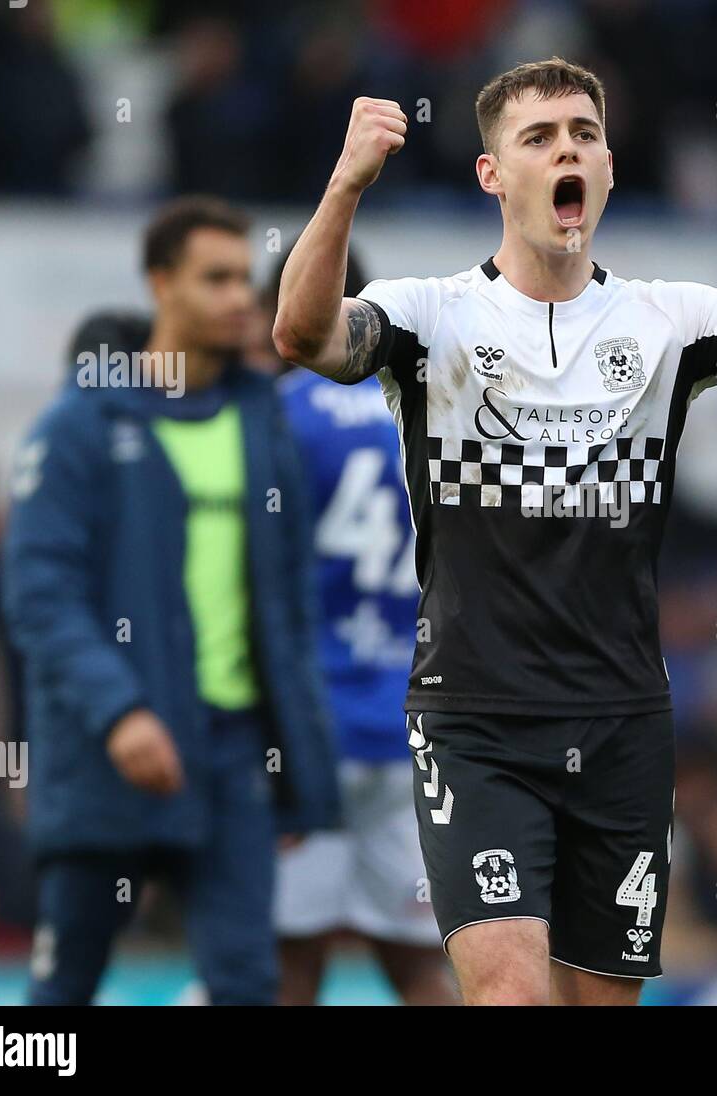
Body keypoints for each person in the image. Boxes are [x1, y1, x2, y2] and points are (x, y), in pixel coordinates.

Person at [273, 57, 717, 1005]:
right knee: (511, 996)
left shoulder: (674, 321)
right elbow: (303, 335)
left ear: (605, 169)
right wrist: (347, 182)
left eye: (584, 136)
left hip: (623, 722)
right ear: (492, 174)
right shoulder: (428, 316)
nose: (568, 150)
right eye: (539, 137)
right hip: (475, 719)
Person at [2, 196, 339, 1005]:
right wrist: (119, 711)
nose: (238, 299)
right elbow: (40, 595)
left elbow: (289, 601)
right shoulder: (81, 425)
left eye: (244, 280)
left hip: (234, 757)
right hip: (112, 750)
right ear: (160, 284)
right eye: (214, 279)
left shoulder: (262, 423)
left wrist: (296, 760)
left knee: (247, 984)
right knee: (65, 986)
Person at [269, 247, 456, 1005]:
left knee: (289, 963)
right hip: (414, 722)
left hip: (308, 729)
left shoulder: (279, 416)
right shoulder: (429, 404)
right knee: (416, 963)